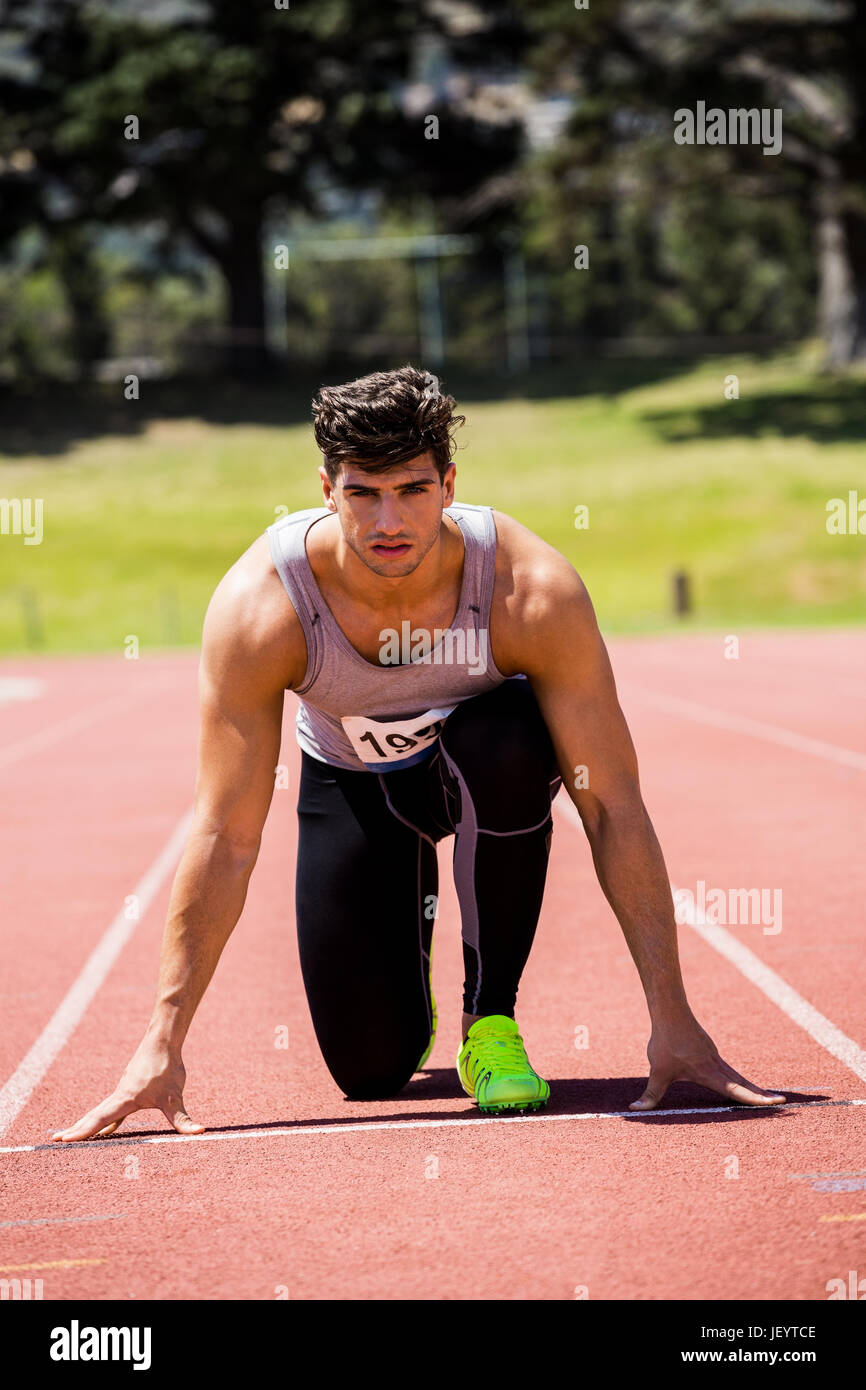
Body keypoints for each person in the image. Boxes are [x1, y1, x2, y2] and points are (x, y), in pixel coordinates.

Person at [52, 366, 784, 1142]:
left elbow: (610, 803)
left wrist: (673, 1018)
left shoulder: (528, 589)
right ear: (327, 489)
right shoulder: (263, 606)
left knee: (503, 735)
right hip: (358, 789)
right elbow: (224, 833)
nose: (389, 520)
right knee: (371, 1073)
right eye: (364, 493)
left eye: (412, 489)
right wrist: (160, 1046)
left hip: (485, 777)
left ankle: (489, 1021)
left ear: (449, 484)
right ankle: (408, 985)